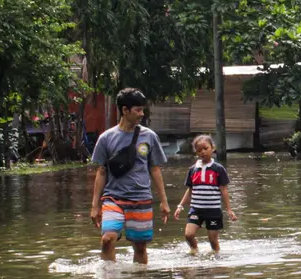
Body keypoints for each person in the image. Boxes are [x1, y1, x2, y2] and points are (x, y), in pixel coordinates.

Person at [90, 88, 170, 264]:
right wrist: (95, 206)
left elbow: (155, 169)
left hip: (141, 198)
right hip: (113, 198)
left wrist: (164, 201)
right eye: (138, 110)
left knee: (140, 247)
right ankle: (109, 278)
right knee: (107, 240)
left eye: (142, 110)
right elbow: (102, 171)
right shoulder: (106, 138)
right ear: (125, 110)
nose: (142, 114)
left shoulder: (149, 136)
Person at [173, 135, 237, 255]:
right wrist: (180, 206)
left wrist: (229, 209)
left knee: (213, 240)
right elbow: (190, 190)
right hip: (196, 209)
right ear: (196, 152)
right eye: (199, 150)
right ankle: (194, 250)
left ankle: (216, 256)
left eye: (205, 148)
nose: (202, 152)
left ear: (213, 148)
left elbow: (224, 190)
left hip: (213, 210)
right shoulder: (193, 169)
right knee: (188, 234)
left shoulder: (218, 169)